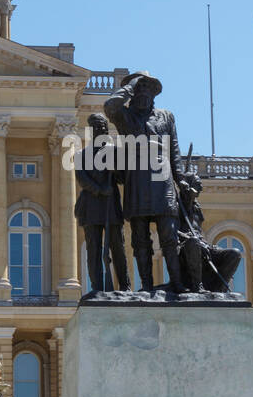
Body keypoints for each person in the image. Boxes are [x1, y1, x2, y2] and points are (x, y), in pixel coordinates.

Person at [104, 71, 186, 293]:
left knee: (169, 234)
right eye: (138, 89)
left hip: (163, 177)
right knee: (140, 239)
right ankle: (147, 286)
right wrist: (129, 86)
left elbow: (174, 151)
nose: (142, 93)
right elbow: (110, 105)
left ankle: (177, 283)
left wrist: (181, 179)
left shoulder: (166, 116)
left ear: (153, 92)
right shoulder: (125, 116)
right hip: (137, 177)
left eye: (146, 88)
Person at [74, 112, 129, 292]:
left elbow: (122, 178)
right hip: (91, 206)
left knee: (117, 247)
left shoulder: (114, 152)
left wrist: (117, 168)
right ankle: (97, 287)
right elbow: (82, 179)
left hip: (111, 206)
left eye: (103, 127)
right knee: (94, 249)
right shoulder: (81, 154)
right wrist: (99, 189)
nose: (100, 130)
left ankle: (125, 285)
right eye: (96, 127)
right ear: (91, 131)